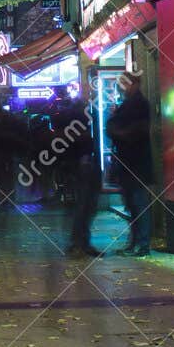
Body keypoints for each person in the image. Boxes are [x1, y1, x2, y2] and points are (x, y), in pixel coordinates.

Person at [106, 72, 154, 256]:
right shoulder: (129, 104)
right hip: (130, 162)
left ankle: (142, 245)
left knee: (138, 204)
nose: (121, 87)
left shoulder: (139, 105)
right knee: (133, 205)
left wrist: (117, 132)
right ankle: (136, 242)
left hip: (136, 162)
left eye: (125, 83)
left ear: (133, 84)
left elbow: (132, 131)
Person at [63, 102, 101, 257]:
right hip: (83, 169)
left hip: (82, 168)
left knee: (85, 207)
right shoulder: (80, 134)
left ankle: (80, 242)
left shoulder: (74, 133)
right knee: (84, 206)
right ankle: (79, 242)